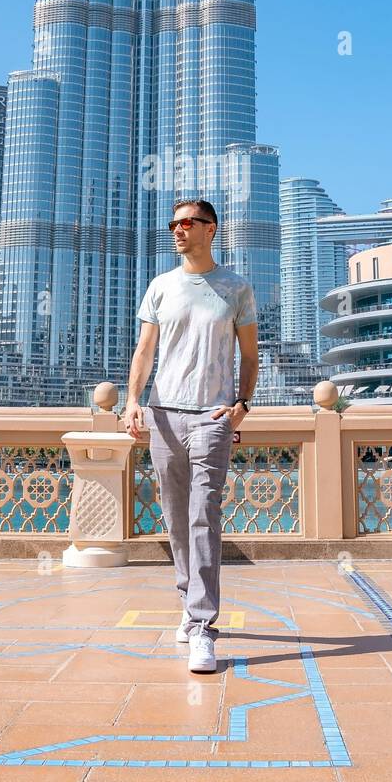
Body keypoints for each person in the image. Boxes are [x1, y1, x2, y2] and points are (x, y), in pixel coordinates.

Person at [124, 198, 259, 673]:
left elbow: (249, 355)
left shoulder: (236, 288)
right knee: (176, 516)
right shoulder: (161, 286)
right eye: (174, 224)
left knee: (205, 513)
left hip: (212, 416)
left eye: (188, 224)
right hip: (163, 413)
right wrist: (132, 400)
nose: (178, 231)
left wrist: (241, 405)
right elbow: (145, 350)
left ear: (212, 230)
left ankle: (203, 626)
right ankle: (188, 599)